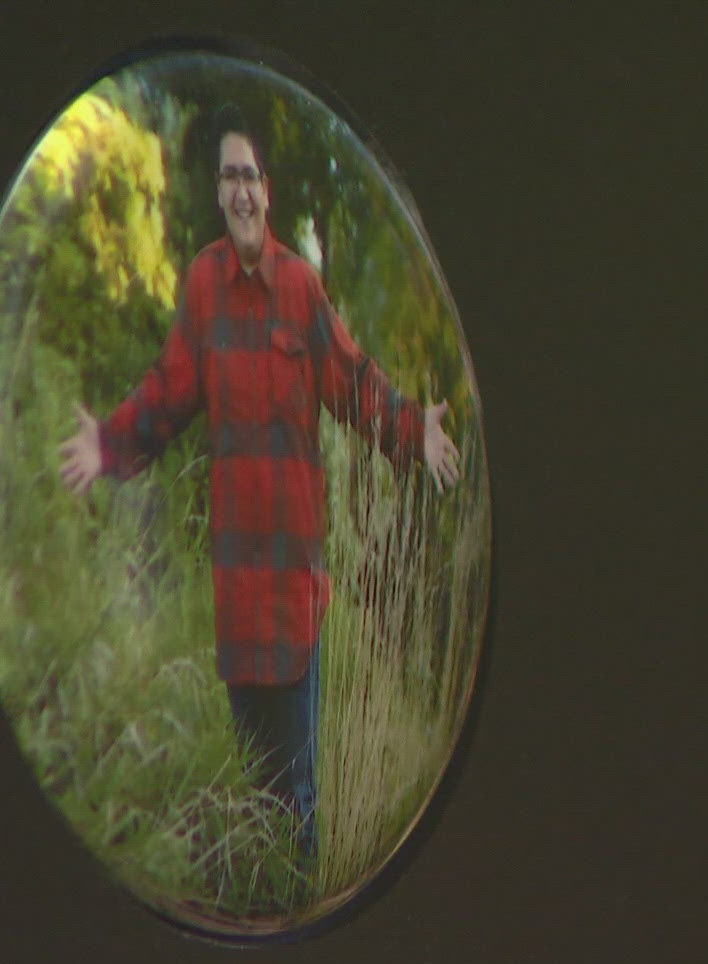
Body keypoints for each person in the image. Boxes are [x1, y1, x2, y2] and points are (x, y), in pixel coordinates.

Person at [57, 104, 461, 860]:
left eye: (250, 176)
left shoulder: (302, 289)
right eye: (228, 177)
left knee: (298, 792)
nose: (241, 191)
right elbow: (168, 389)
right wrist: (106, 445)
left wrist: (417, 429)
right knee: (254, 790)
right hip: (239, 590)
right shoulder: (204, 287)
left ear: (268, 191)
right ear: (218, 192)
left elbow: (353, 380)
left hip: (294, 592)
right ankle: (259, 917)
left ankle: (302, 916)